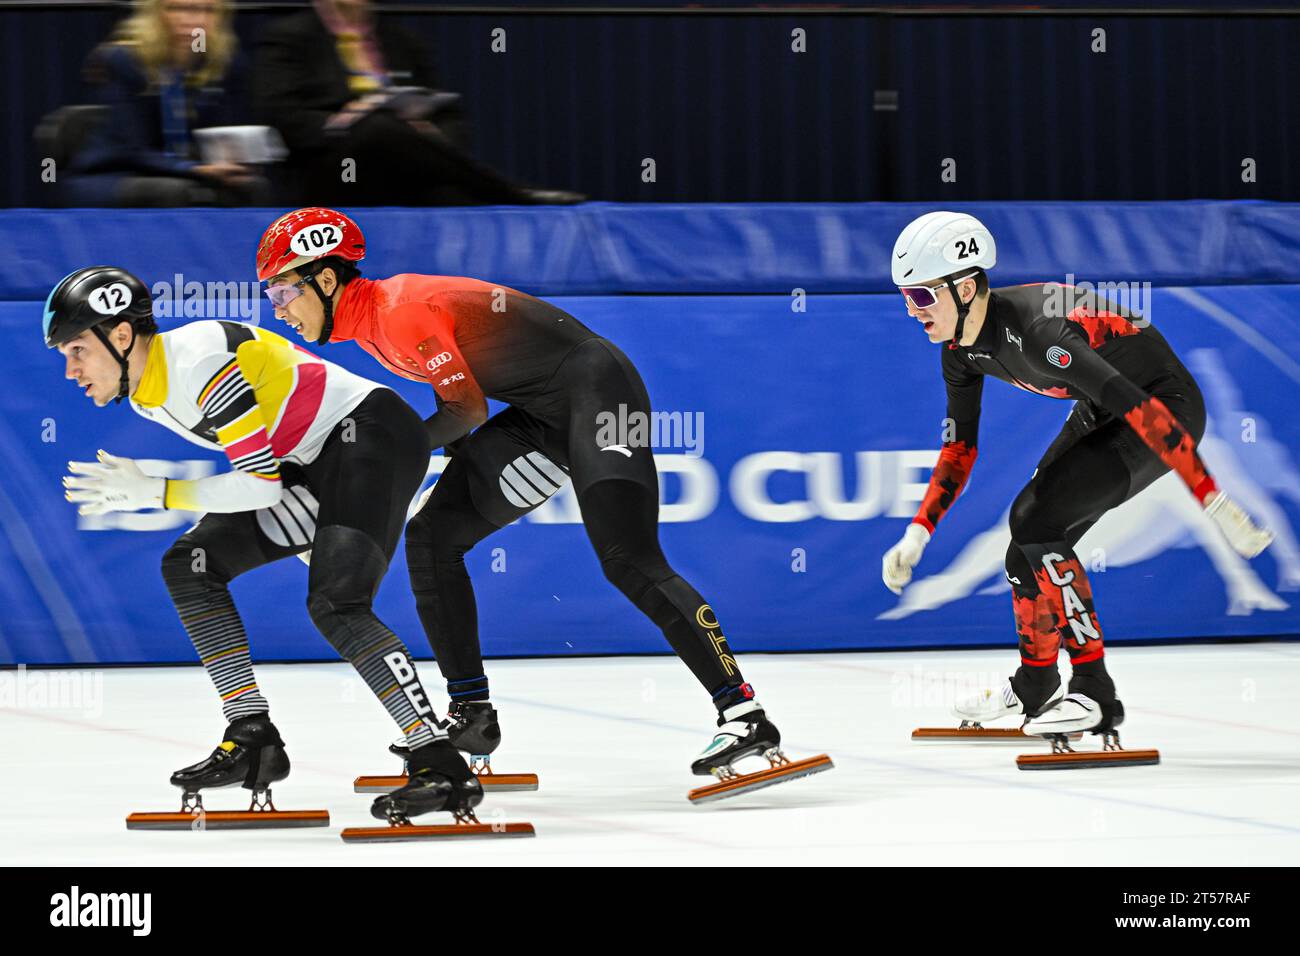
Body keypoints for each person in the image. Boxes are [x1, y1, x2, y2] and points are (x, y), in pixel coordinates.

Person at [254, 207, 792, 784]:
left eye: (283, 290)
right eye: (270, 295)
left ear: (326, 280)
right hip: (539, 412)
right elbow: (462, 412)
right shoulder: (370, 328)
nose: (279, 309)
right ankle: (471, 715)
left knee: (629, 559)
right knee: (432, 537)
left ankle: (743, 711)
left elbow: (464, 410)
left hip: (601, 391)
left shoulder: (398, 311)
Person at [45, 266, 477, 823]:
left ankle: (441, 763)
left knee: (338, 604)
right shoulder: (146, 396)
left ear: (121, 335)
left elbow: (257, 484)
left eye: (77, 349)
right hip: (313, 465)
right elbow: (267, 477)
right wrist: (311, 536)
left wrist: (157, 490)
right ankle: (253, 737)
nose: (71, 368)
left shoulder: (199, 361)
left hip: (374, 438)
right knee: (190, 565)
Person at [880, 211, 1274, 736]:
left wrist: (1211, 498)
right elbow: (960, 451)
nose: (912, 311)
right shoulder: (960, 354)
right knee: (1024, 550)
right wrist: (919, 529)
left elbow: (1136, 405)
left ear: (967, 286)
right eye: (905, 297)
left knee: (1036, 518)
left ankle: (1095, 694)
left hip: (1161, 409)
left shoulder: (1042, 334)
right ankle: (1035, 686)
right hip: (1102, 410)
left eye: (923, 297)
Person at [253, 0, 582, 206]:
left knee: (450, 195)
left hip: (401, 167)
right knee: (377, 126)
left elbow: (447, 111)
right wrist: (345, 120)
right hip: (331, 169)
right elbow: (282, 115)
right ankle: (509, 193)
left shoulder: (402, 40)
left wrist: (426, 129)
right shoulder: (290, 36)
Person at [67, 0, 266, 207]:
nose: (193, 20)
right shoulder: (123, 60)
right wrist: (193, 169)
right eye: (177, 8)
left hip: (192, 170)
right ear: (155, 13)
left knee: (253, 187)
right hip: (115, 172)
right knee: (173, 191)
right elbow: (132, 150)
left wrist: (235, 160)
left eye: (207, 10)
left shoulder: (226, 63)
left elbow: (225, 131)